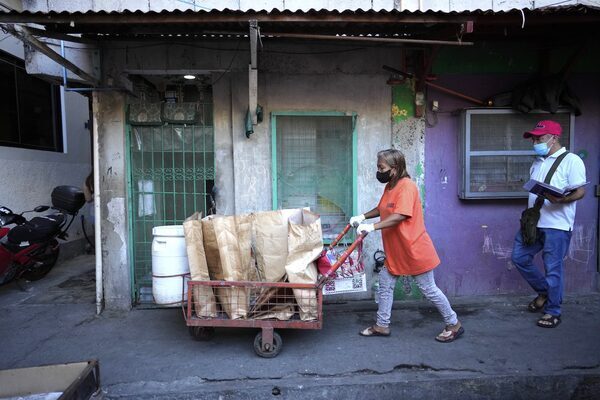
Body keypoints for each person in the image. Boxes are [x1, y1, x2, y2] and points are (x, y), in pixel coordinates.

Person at [351, 148, 463, 343]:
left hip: (413, 249)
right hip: (396, 250)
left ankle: (454, 324)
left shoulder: (407, 186)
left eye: (381, 167)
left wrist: (371, 227)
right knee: (386, 285)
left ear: (394, 169)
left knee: (429, 289)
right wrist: (362, 216)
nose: (378, 170)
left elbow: (400, 215)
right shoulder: (391, 187)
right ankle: (382, 325)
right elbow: (382, 208)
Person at [511, 120, 586, 328]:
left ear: (554, 138)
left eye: (540, 138)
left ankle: (553, 311)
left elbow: (580, 191)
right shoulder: (538, 161)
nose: (535, 141)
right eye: (534, 138)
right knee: (519, 257)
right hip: (534, 222)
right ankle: (545, 291)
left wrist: (561, 200)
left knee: (553, 268)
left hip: (557, 225)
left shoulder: (571, 160)